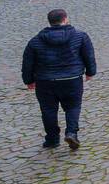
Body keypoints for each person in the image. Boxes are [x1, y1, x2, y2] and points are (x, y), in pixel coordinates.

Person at [22, 8, 96, 150]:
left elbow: (27, 63)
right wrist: (90, 72)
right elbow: (89, 55)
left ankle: (52, 139)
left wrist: (28, 80)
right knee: (73, 107)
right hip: (72, 79)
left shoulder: (35, 41)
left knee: (48, 110)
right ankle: (72, 133)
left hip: (45, 82)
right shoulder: (80, 36)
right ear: (65, 19)